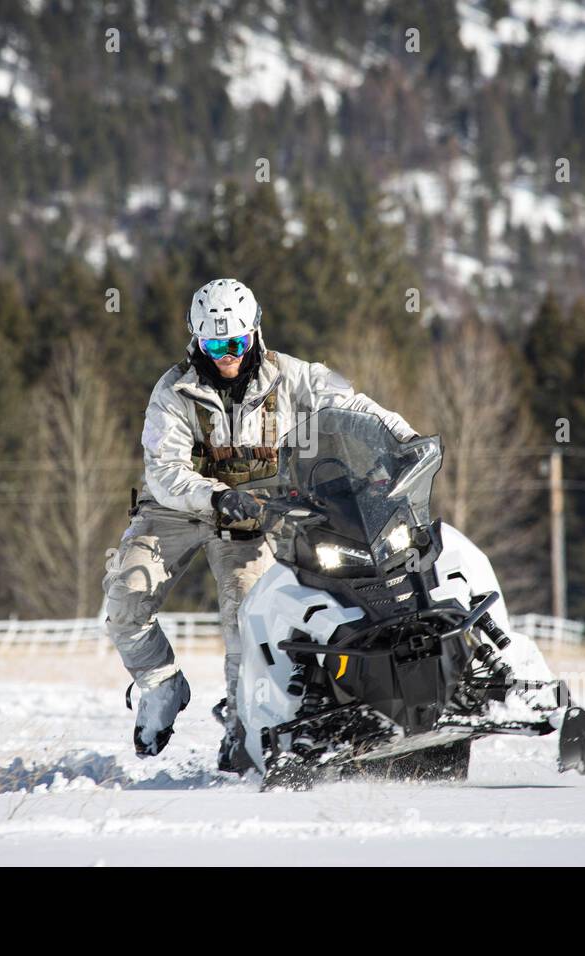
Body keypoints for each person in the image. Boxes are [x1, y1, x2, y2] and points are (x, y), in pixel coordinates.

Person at [102, 278, 417, 771]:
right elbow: (164, 472)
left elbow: (352, 404)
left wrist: (403, 439)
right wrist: (215, 496)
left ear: (254, 333)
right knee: (125, 597)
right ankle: (162, 686)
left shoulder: (292, 377)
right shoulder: (173, 391)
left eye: (235, 342)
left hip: (254, 515)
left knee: (246, 621)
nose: (225, 354)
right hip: (178, 507)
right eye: (213, 343)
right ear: (195, 339)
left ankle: (241, 732)